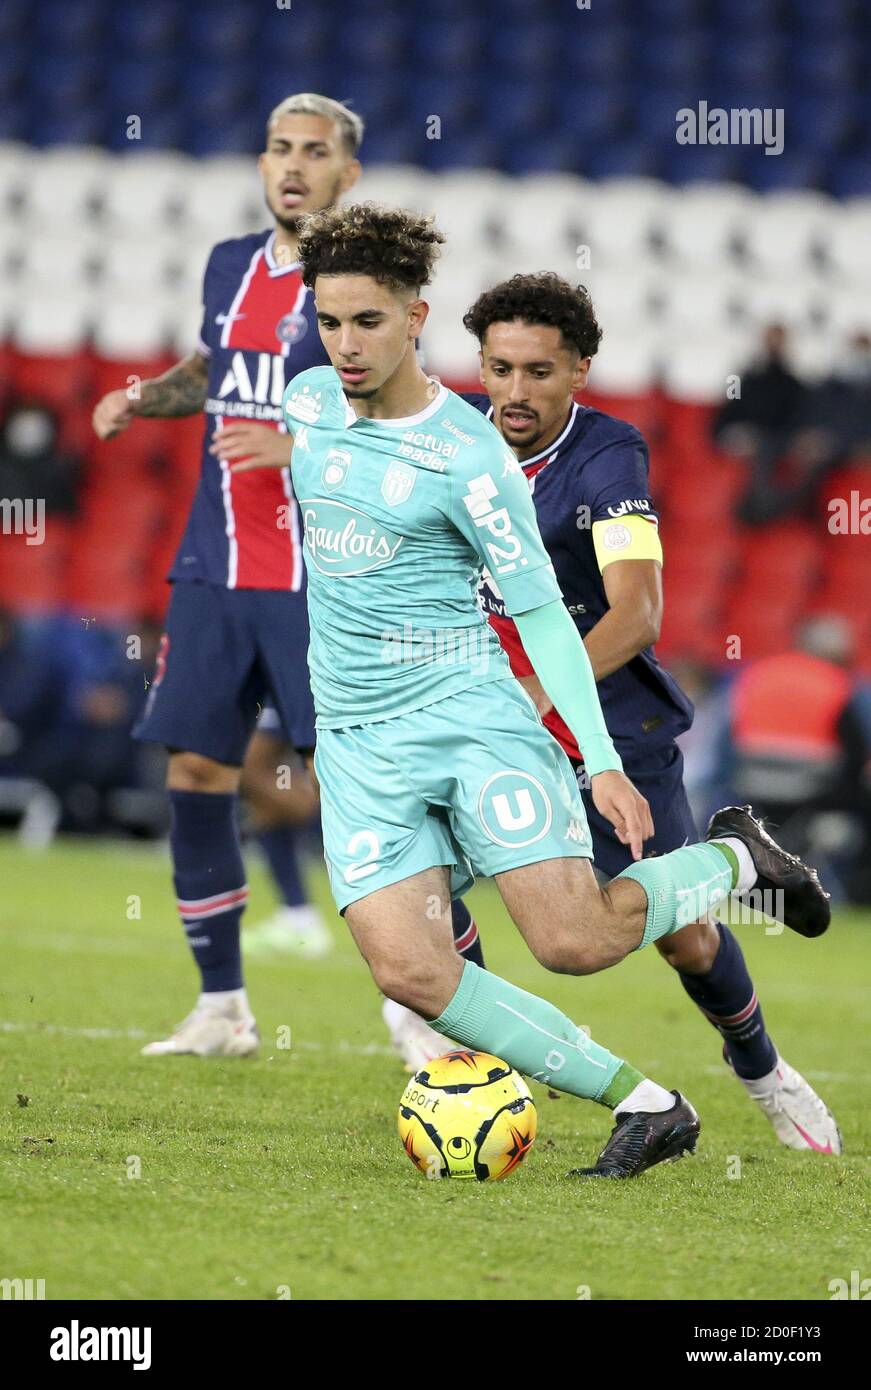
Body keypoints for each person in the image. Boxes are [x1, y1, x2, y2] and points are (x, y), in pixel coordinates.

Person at [234, 203, 831, 1177]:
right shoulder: (305, 403)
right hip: (354, 736)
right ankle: (646, 1103)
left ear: (415, 318)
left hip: (471, 715)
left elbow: (552, 616)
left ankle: (732, 860)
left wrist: (598, 761)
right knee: (410, 969)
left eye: (368, 323)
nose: (344, 346)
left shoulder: (472, 459)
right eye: (329, 321)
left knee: (574, 940)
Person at [454, 274, 839, 1152]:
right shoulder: (454, 446)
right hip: (485, 725)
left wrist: (544, 691)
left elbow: (639, 613)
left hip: (610, 724)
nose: (515, 392)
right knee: (421, 884)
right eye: (499, 369)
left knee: (684, 941)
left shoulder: (607, 456)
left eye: (539, 372)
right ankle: (469, 1079)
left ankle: (763, 1070)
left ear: (579, 371)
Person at [91, 93, 365, 1054]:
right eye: (280, 149)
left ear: (348, 175)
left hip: (318, 575)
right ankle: (222, 1009)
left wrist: (298, 448)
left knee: (364, 785)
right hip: (214, 563)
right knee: (198, 765)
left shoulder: (362, 281)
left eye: (315, 152)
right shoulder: (227, 263)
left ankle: (419, 1009)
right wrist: (144, 397)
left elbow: (395, 418)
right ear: (262, 164)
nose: (293, 165)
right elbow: (217, 370)